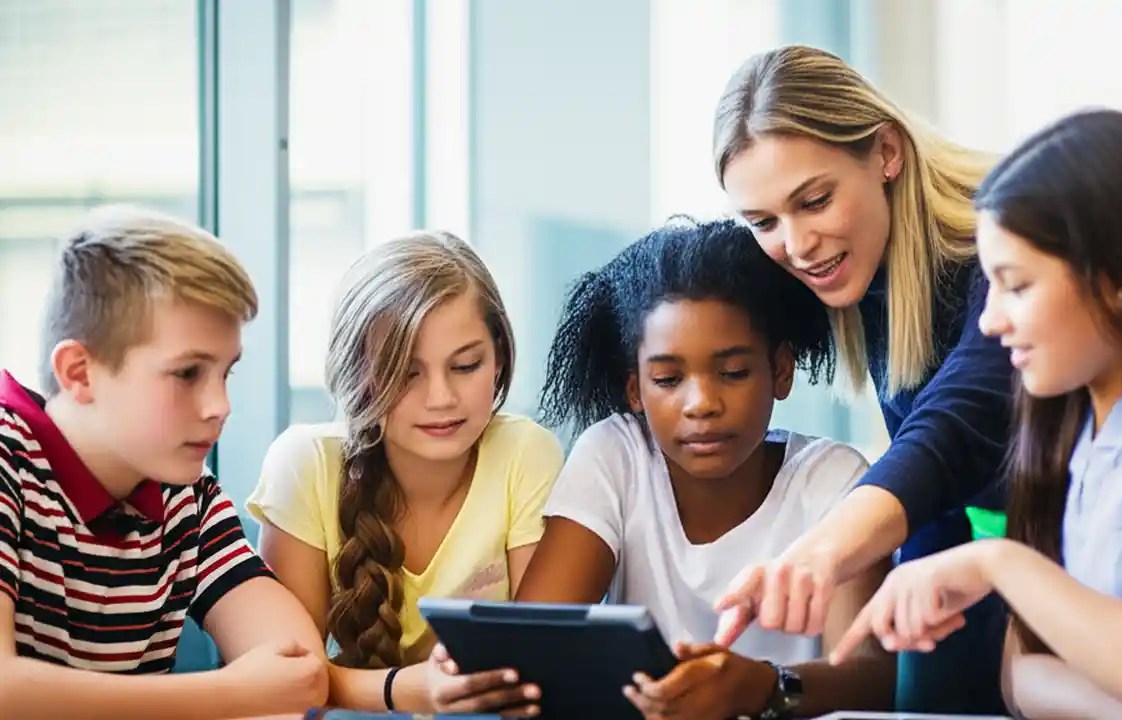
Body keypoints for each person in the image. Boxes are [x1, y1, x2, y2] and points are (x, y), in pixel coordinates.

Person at [838, 109, 1122, 719]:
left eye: (1015, 286)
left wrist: (997, 562)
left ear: (1119, 281)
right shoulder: (1068, 422)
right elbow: (1021, 676)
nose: (989, 321)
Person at [711, 45, 1011, 712]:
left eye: (814, 200)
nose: (797, 245)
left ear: (886, 153)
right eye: (763, 222)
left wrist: (820, 552)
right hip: (985, 548)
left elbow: (958, 424)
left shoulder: (1006, 238)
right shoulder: (870, 277)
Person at [516, 218, 895, 720]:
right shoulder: (616, 456)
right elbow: (532, 646)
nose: (701, 404)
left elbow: (870, 677)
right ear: (636, 391)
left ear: (780, 371)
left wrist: (761, 686)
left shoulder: (832, 479)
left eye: (734, 373)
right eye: (668, 379)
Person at [0, 207, 328, 719]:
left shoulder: (185, 494)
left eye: (226, 372)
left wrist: (256, 690)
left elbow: (297, 671)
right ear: (79, 372)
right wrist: (231, 693)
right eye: (188, 373)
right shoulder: (7, 461)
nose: (220, 405)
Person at [248, 233, 562, 716]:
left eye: (466, 365)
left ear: (499, 359)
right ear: (357, 372)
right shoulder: (305, 464)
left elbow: (540, 659)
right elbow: (283, 678)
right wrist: (404, 689)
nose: (441, 398)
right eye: (406, 372)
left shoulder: (525, 453)